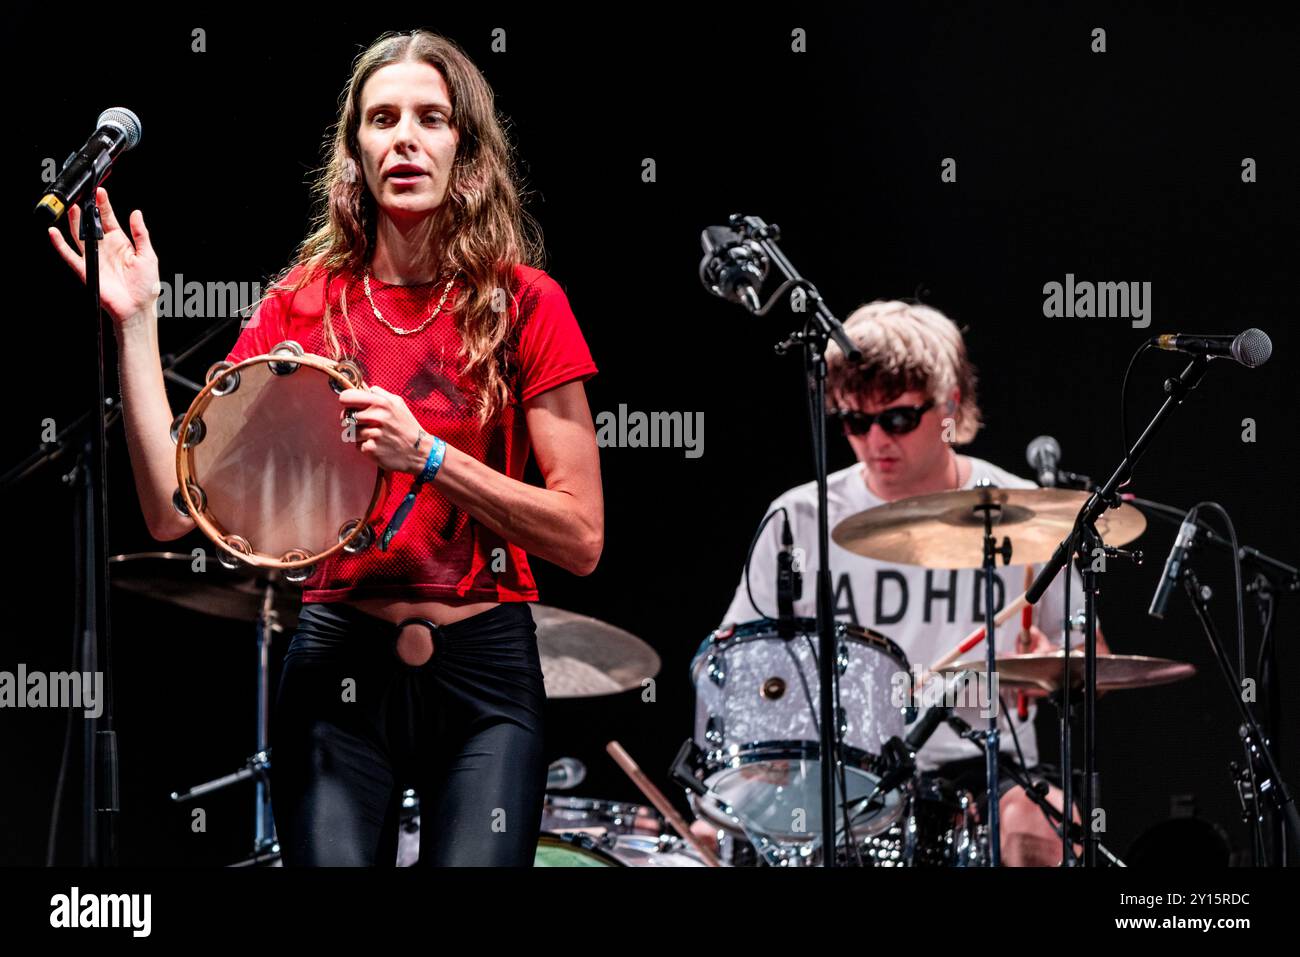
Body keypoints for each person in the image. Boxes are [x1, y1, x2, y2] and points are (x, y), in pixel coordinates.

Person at [47, 30, 604, 866]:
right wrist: (136, 325)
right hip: (337, 663)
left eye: (431, 118)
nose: (406, 138)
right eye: (382, 119)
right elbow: (171, 511)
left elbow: (582, 535)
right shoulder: (299, 309)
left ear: (470, 152)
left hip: (486, 674)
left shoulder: (524, 303)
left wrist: (430, 457)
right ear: (356, 152)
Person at [712, 299, 1108, 866]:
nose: (876, 441)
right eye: (855, 421)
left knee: (1043, 828)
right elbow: (737, 666)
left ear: (949, 404)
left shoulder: (1027, 513)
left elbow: (1096, 659)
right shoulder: (799, 518)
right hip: (836, 772)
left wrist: (1054, 662)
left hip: (980, 768)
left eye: (897, 418)